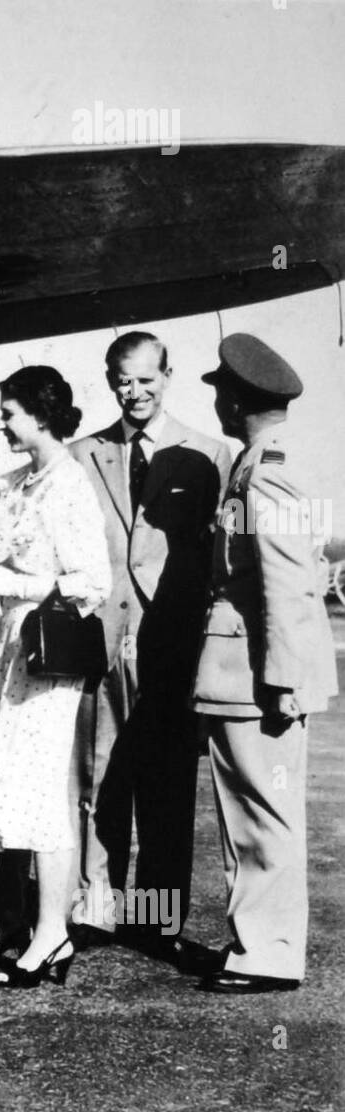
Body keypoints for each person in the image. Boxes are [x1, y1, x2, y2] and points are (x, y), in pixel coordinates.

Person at [69, 331, 231, 966]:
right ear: (110, 382)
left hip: (172, 647)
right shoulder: (85, 453)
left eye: (145, 379)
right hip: (101, 643)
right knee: (98, 775)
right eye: (122, 381)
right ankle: (93, 907)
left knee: (165, 782)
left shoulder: (210, 455)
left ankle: (156, 917)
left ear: (169, 375)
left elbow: (215, 560)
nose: (134, 392)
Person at [0, 366, 110, 987]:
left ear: (42, 415)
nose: (3, 423)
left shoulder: (69, 485)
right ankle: (10, 920)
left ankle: (53, 936)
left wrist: (18, 584)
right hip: (10, 655)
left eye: (11, 412)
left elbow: (90, 584)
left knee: (39, 796)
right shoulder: (17, 484)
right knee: (6, 787)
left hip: (49, 660)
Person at [194, 334, 337, 993]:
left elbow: (284, 581)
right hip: (245, 671)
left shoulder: (264, 471)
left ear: (234, 398)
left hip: (252, 674)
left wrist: (282, 678)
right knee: (252, 813)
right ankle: (256, 944)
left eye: (219, 392)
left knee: (262, 813)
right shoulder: (259, 464)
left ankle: (268, 953)